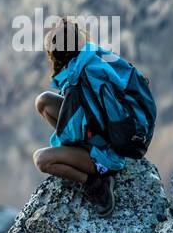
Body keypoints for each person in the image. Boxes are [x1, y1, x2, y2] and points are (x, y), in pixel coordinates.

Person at [32, 19, 156, 217]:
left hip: (108, 153)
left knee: (41, 159)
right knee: (44, 101)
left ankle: (98, 181)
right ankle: (88, 158)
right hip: (113, 133)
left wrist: (64, 152)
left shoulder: (81, 79)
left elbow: (70, 133)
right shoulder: (93, 57)